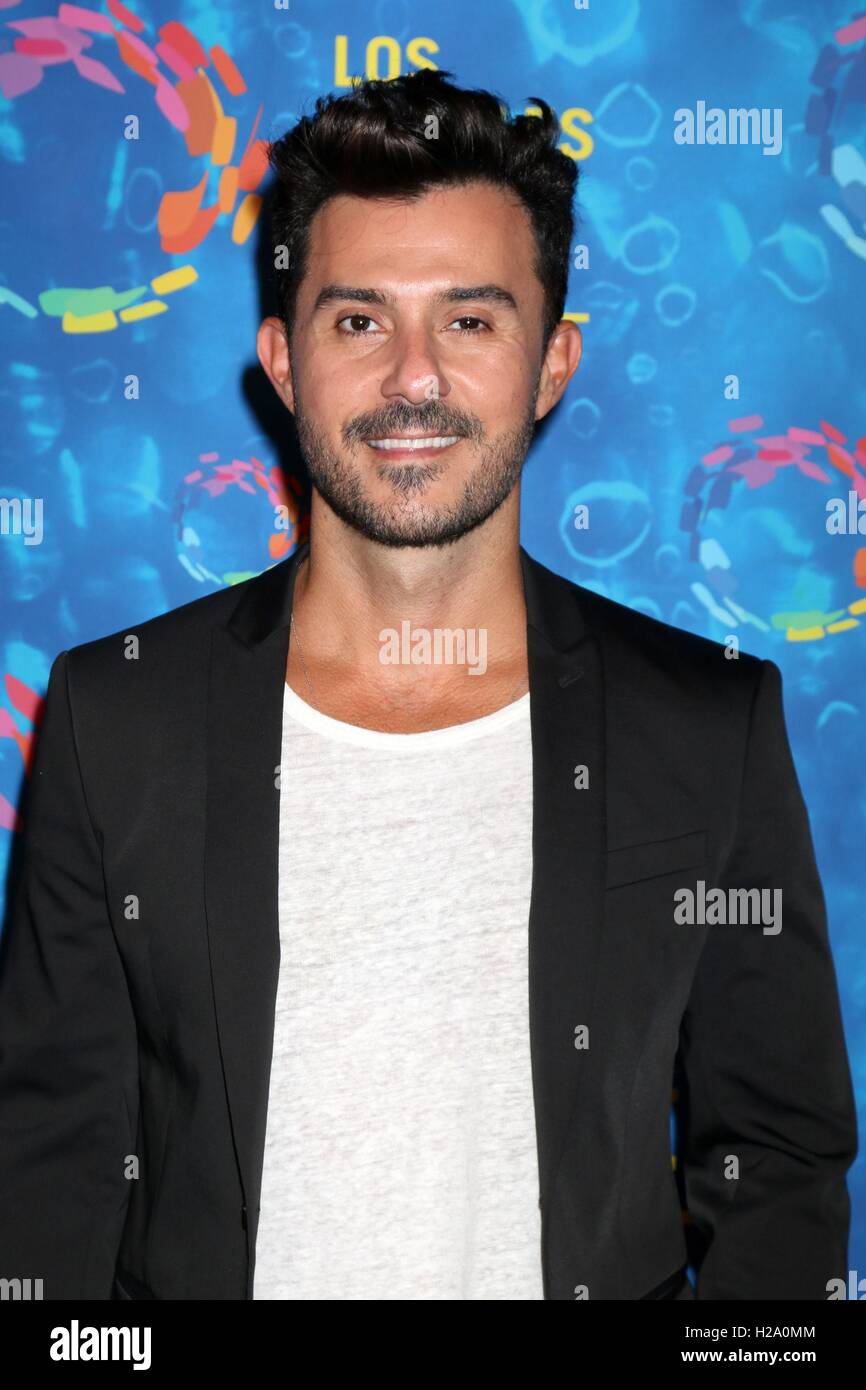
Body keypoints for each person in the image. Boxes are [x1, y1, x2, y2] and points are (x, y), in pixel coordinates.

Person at [0, 70, 856, 1301]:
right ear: (284, 364)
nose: (412, 378)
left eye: (469, 320)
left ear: (549, 362)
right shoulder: (113, 717)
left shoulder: (705, 722)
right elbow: (51, 1170)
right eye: (356, 321)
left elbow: (774, 1155)